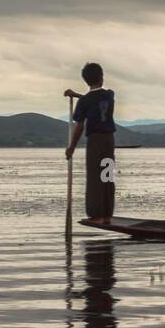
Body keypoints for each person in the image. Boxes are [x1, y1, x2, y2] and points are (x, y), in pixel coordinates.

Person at [64, 63, 116, 223]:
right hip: (109, 141)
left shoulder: (84, 102)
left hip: (95, 142)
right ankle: (107, 213)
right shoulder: (109, 95)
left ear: (86, 81)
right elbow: (95, 100)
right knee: (107, 176)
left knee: (95, 177)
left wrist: (71, 148)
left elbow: (80, 126)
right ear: (102, 78)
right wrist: (78, 96)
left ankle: (97, 214)